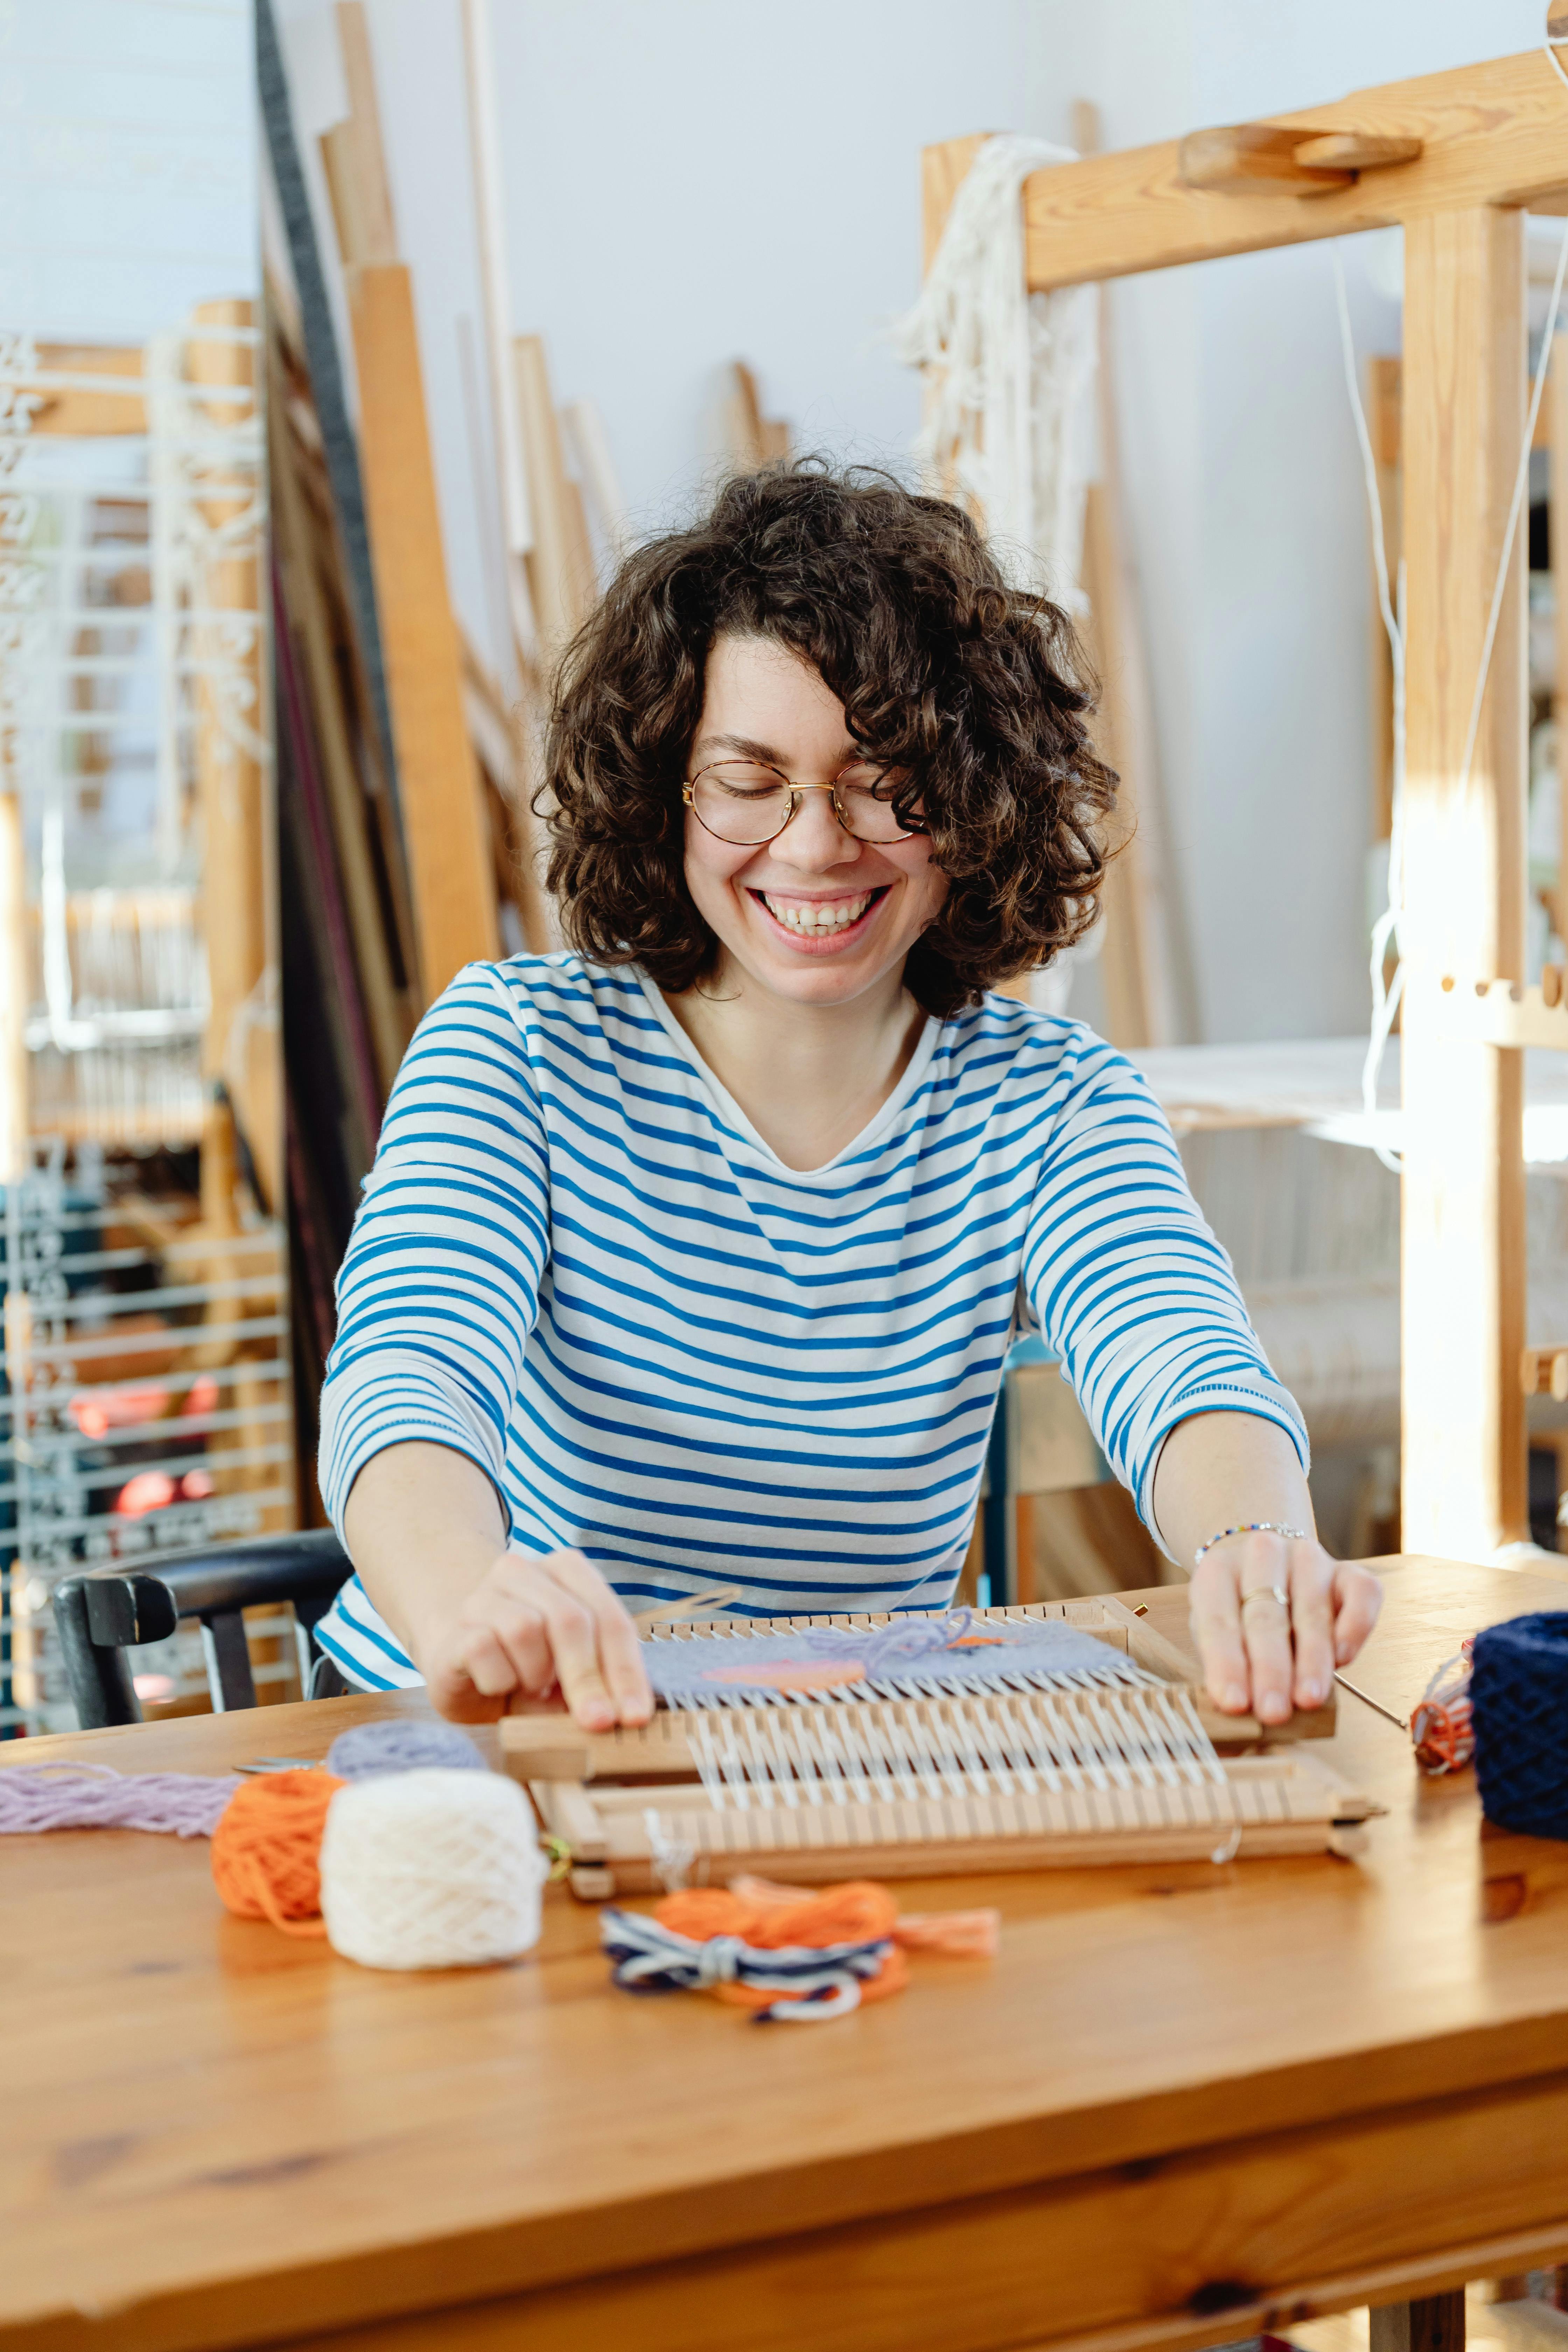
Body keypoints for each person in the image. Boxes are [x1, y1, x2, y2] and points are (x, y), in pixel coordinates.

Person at [314, 463, 1380, 1729]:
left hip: (841, 1749)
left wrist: (1255, 1542)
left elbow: (1183, 1358)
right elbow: (408, 1372)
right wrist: (469, 1612)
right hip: (492, 1731)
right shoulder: (515, 1048)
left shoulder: (1057, 1102)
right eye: (748, 782)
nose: (816, 845)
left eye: (884, 780)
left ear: (976, 798)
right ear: (666, 791)